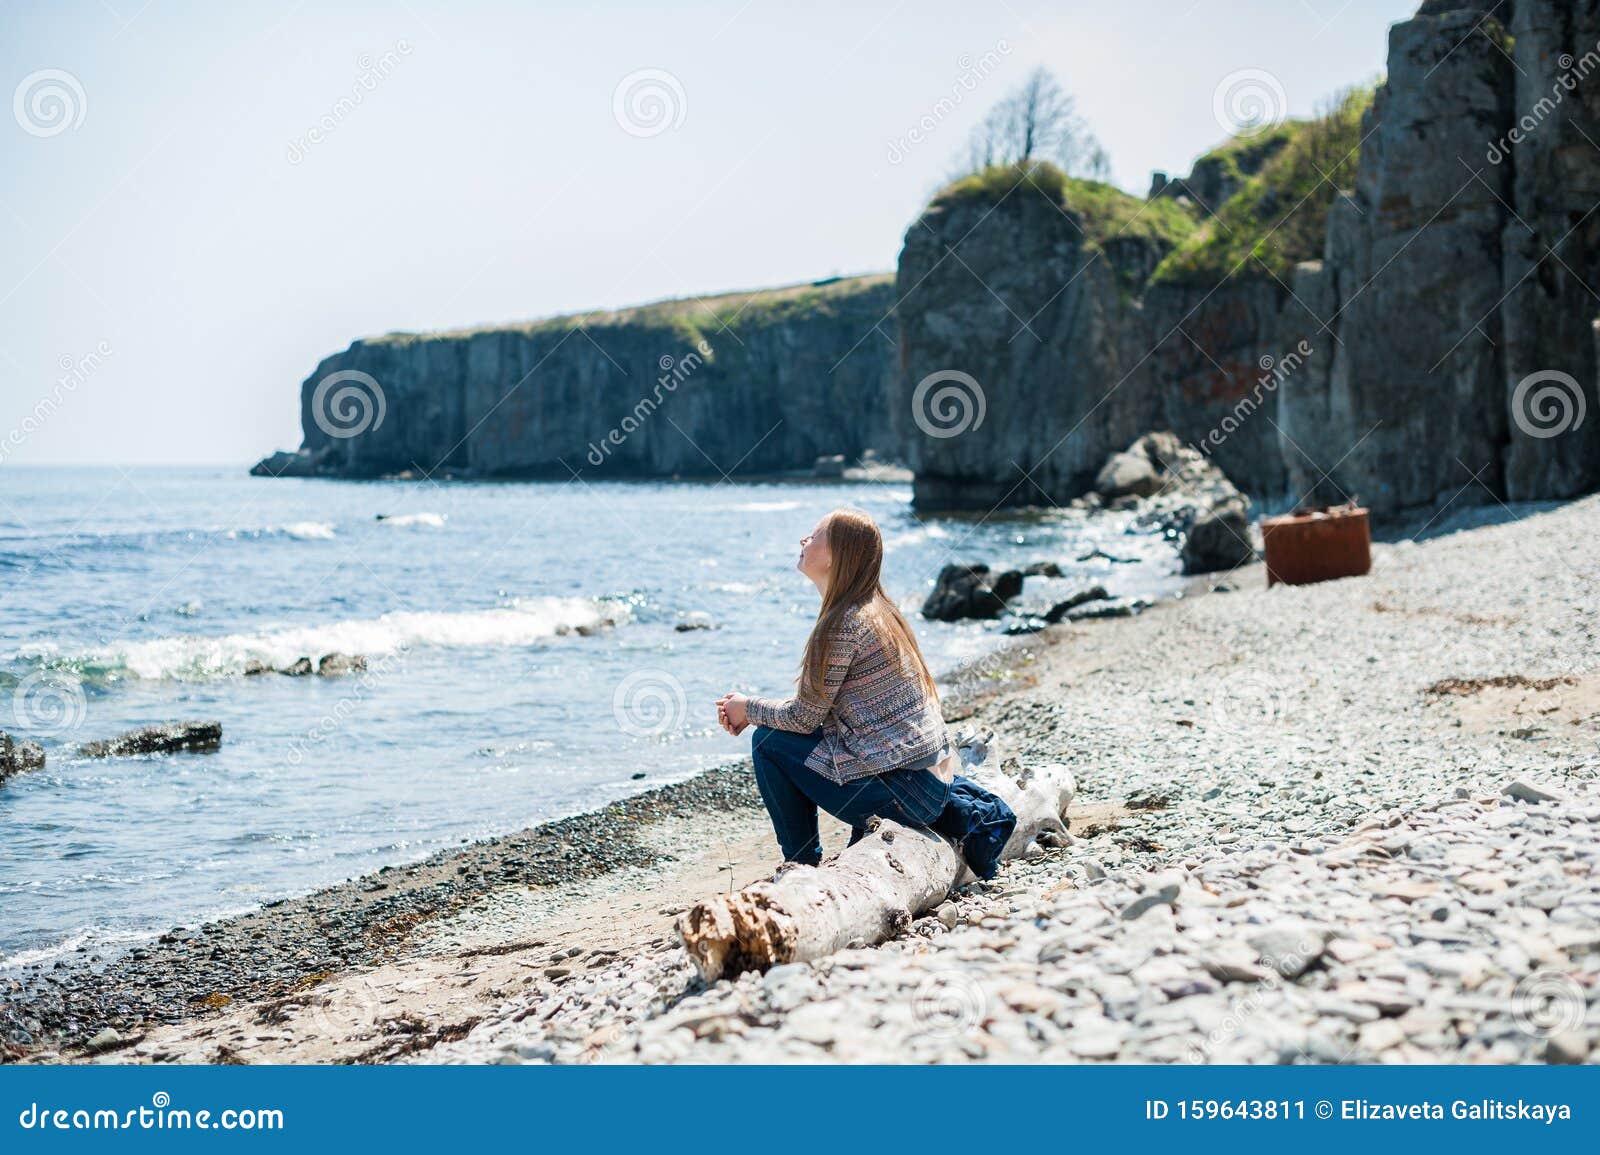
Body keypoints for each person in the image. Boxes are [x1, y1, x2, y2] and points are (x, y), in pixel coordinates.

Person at [716, 507, 1017, 879]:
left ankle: (799, 866)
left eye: (814, 535)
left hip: (908, 795)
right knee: (787, 735)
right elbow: (826, 715)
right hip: (930, 786)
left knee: (768, 742)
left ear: (837, 554)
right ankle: (816, 856)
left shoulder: (841, 624)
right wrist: (749, 708)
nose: (803, 540)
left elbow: (804, 717)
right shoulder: (878, 609)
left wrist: (748, 709)